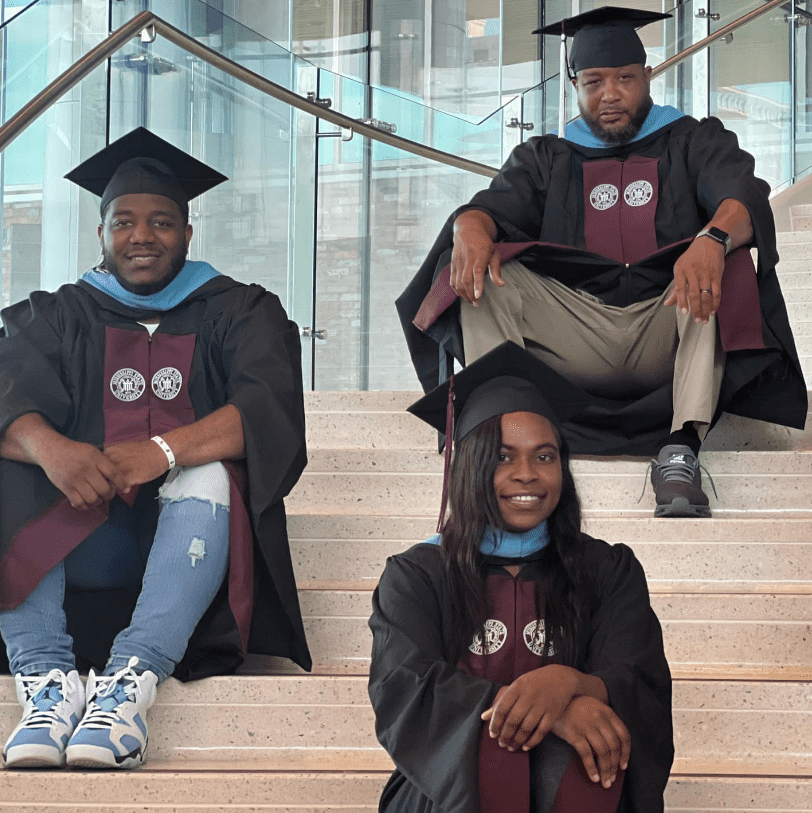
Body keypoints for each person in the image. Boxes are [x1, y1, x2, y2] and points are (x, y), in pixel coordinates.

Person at [396, 6, 807, 518]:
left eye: (624, 79)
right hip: (575, 334)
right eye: (593, 81)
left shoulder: (692, 140)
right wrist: (469, 225)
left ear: (648, 76)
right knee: (484, 276)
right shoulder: (546, 156)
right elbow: (492, 206)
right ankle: (503, 438)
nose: (609, 94)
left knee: (725, 262)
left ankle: (680, 450)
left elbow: (742, 194)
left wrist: (712, 238)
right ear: (574, 84)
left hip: (667, 324)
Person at [0, 127, 310, 770]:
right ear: (101, 234)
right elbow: (7, 398)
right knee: (16, 457)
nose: (143, 236)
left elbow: (268, 411)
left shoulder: (241, 310)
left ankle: (128, 684)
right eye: (125, 221)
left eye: (162, 221)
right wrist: (56, 451)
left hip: (195, 542)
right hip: (81, 539)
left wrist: (164, 451)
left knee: (211, 471)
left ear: (188, 232)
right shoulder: (54, 315)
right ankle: (47, 684)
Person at [368, 342, 673, 813]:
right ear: (468, 466)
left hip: (576, 780)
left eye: (545, 456)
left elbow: (639, 679)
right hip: (445, 789)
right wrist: (550, 706)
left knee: (588, 753)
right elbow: (407, 690)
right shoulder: (417, 575)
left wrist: (568, 683)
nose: (526, 474)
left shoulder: (608, 571)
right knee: (500, 756)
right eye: (503, 457)